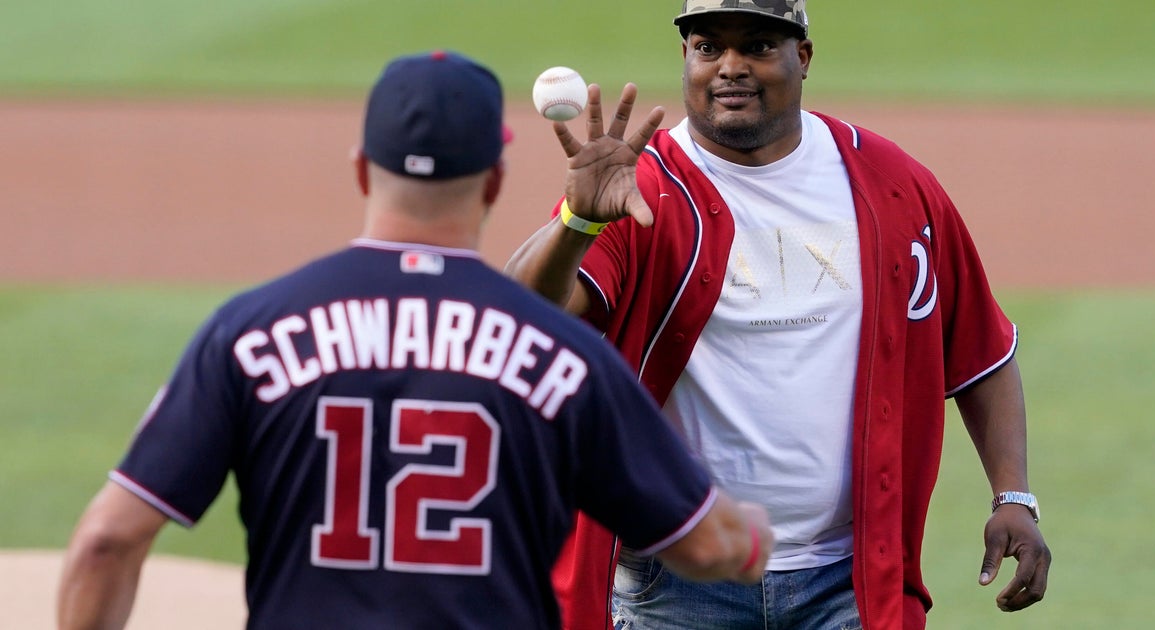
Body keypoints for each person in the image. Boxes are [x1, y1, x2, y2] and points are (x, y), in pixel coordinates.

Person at [56, 50, 777, 630]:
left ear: (362, 168)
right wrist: (752, 538)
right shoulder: (563, 356)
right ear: (494, 182)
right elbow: (706, 546)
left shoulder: (251, 334)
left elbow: (106, 541)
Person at [504, 1, 1052, 629]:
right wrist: (578, 222)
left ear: (804, 57)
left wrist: (1014, 496)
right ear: (686, 57)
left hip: (849, 581)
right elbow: (527, 318)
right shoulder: (642, 188)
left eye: (759, 46)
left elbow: (980, 350)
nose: (730, 67)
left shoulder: (892, 185)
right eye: (709, 47)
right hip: (677, 582)